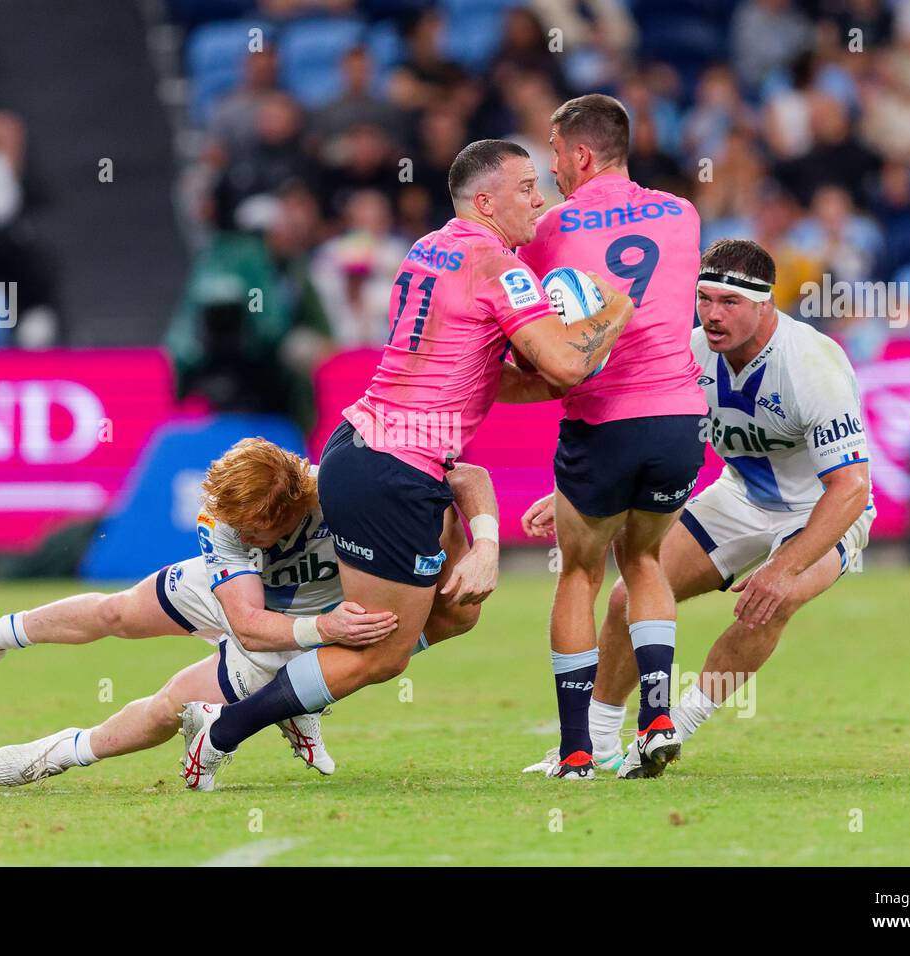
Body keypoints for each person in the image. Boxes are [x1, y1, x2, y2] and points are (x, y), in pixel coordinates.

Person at [177, 139, 634, 792]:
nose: (541, 200)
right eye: (528, 188)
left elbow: (495, 378)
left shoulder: (429, 249)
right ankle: (221, 728)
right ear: (486, 201)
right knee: (384, 653)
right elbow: (564, 366)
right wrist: (616, 314)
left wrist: (559, 354)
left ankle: (285, 695)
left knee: (456, 611)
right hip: (394, 470)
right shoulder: (501, 268)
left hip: (370, 451)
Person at [0, 438, 497, 787]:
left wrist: (482, 542)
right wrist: (326, 627)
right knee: (118, 611)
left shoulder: (343, 493)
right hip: (269, 616)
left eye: (260, 528)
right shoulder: (226, 520)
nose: (245, 534)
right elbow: (247, 622)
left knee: (169, 706)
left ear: (296, 500)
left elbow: (462, 477)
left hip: (293, 638)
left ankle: (56, 753)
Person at [522, 239, 875, 778]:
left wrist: (782, 569)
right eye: (704, 298)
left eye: (729, 302)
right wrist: (583, 493)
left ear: (765, 304)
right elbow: (646, 435)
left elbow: (850, 486)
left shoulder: (812, 365)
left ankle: (670, 732)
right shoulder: (688, 353)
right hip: (741, 495)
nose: (712, 313)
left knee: (772, 601)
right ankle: (598, 741)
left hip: (822, 507)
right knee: (626, 597)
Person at [510, 94, 708, 779]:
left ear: (582, 154)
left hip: (601, 416)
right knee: (645, 562)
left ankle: (576, 751)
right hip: (681, 417)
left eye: (555, 153)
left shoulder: (552, 229)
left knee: (581, 571)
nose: (552, 169)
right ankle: (655, 715)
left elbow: (534, 328)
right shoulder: (684, 214)